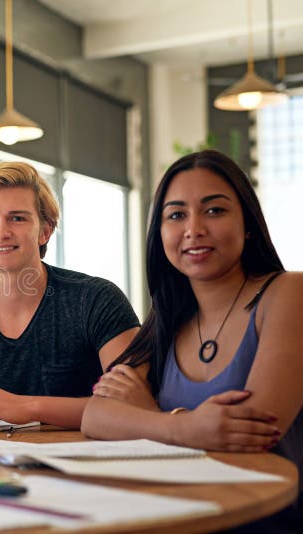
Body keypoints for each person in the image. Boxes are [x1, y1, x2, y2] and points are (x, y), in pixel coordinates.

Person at [81, 150, 302, 526]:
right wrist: (183, 426)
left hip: (265, 516)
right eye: (177, 214)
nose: (193, 229)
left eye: (214, 211)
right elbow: (96, 416)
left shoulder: (288, 293)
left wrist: (148, 414)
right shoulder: (169, 319)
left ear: (247, 223)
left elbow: (252, 434)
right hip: (181, 512)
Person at [0, 162, 139, 428]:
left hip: (91, 463)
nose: (1, 232)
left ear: (45, 231)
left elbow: (134, 407)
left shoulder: (97, 300)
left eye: (18, 218)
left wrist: (27, 406)